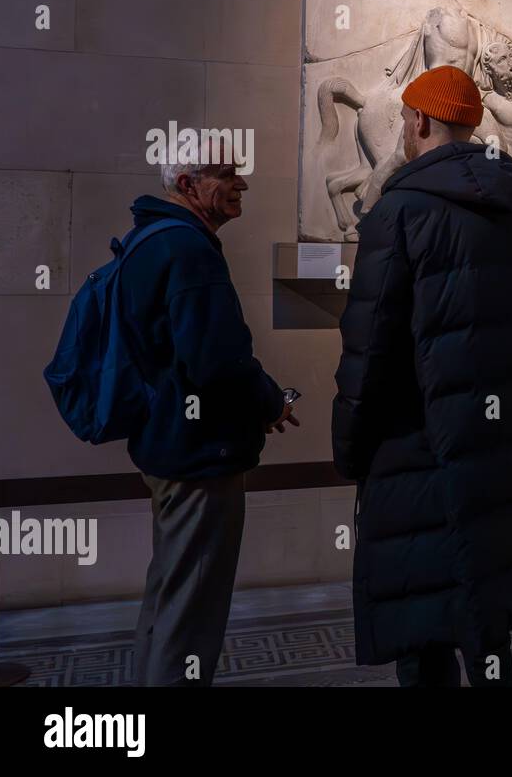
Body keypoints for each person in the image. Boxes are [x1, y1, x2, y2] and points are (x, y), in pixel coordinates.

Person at [332, 64, 512, 687]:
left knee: (421, 625)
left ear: (421, 122)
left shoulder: (397, 213)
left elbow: (368, 351)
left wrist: (349, 447)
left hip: (414, 453)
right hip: (502, 454)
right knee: (486, 615)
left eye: (405, 119)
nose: (404, 129)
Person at [122, 145, 298, 686]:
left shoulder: (153, 238)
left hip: (169, 442)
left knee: (170, 596)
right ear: (187, 183)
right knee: (190, 614)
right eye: (226, 175)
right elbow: (217, 362)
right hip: (199, 453)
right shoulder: (188, 248)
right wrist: (270, 402)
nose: (241, 184)